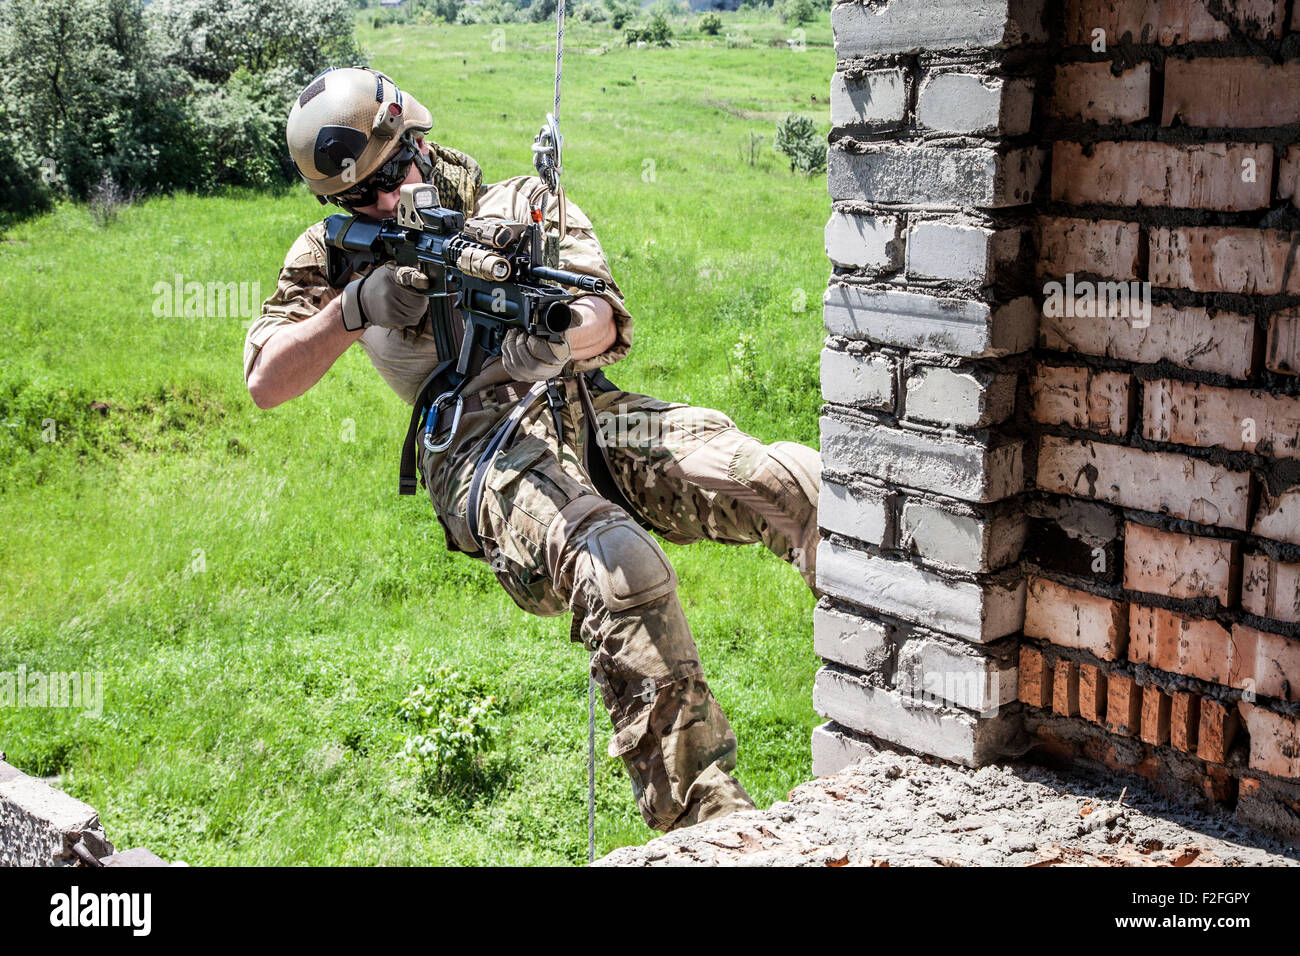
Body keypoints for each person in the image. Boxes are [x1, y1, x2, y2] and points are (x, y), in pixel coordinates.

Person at [243, 66, 822, 833]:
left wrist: (551, 339)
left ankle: (898, 698)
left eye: (394, 175)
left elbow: (602, 324)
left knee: (799, 483)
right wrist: (350, 309)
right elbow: (264, 380)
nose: (385, 201)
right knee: (620, 566)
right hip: (479, 452)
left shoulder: (514, 209)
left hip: (587, 411)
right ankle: (711, 829)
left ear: (418, 140)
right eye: (359, 197)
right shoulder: (328, 251)